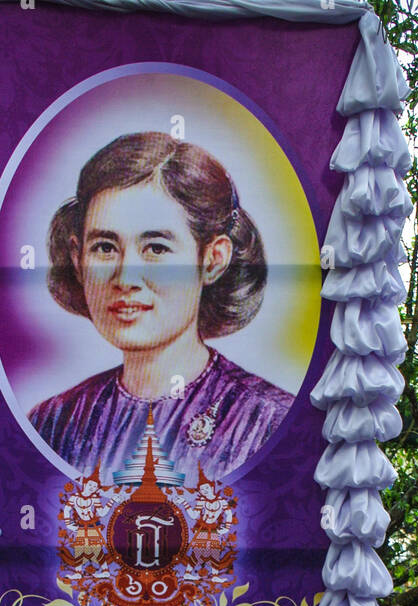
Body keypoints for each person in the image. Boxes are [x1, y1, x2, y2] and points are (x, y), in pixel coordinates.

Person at [29, 131, 294, 482]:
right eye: (105, 248)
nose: (126, 278)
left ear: (213, 260)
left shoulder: (268, 420)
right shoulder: (52, 422)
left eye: (155, 248)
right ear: (78, 259)